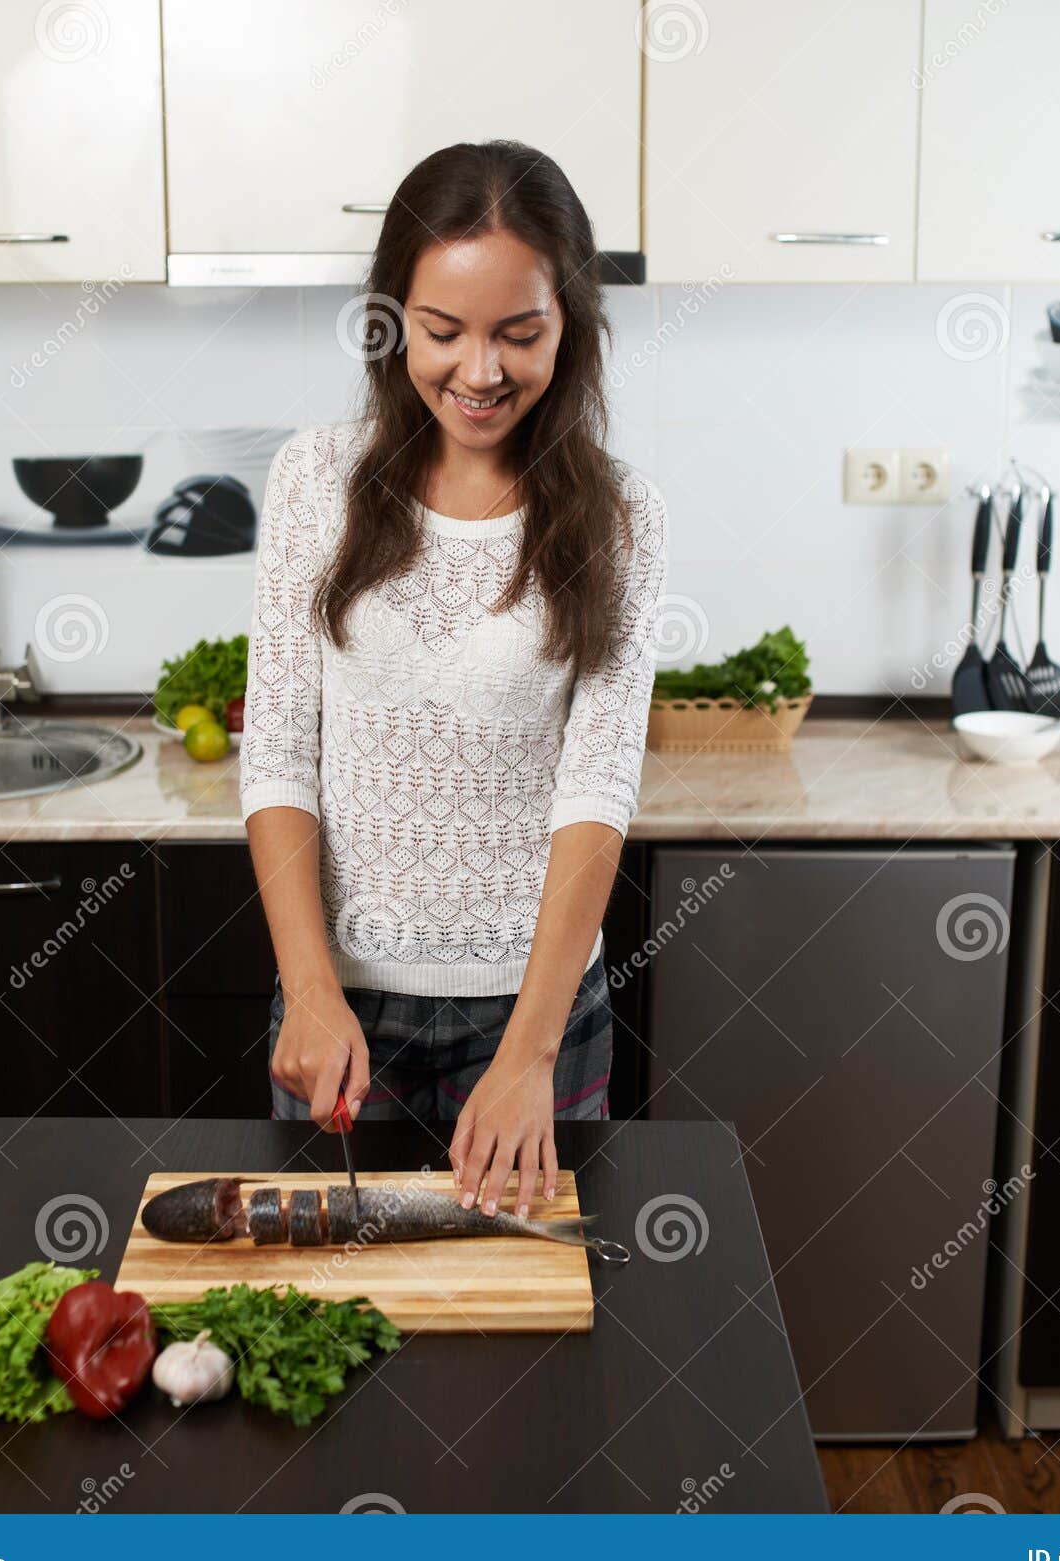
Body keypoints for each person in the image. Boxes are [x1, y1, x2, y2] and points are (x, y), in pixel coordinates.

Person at [239, 139, 667, 1220]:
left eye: (518, 333)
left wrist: (526, 1054)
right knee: (331, 1339)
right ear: (392, 321)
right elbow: (280, 750)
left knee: (525, 1344)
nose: (480, 372)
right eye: (443, 332)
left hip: (534, 1011)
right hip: (339, 1012)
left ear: (568, 324)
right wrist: (308, 986)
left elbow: (597, 786)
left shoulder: (617, 516)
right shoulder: (313, 480)